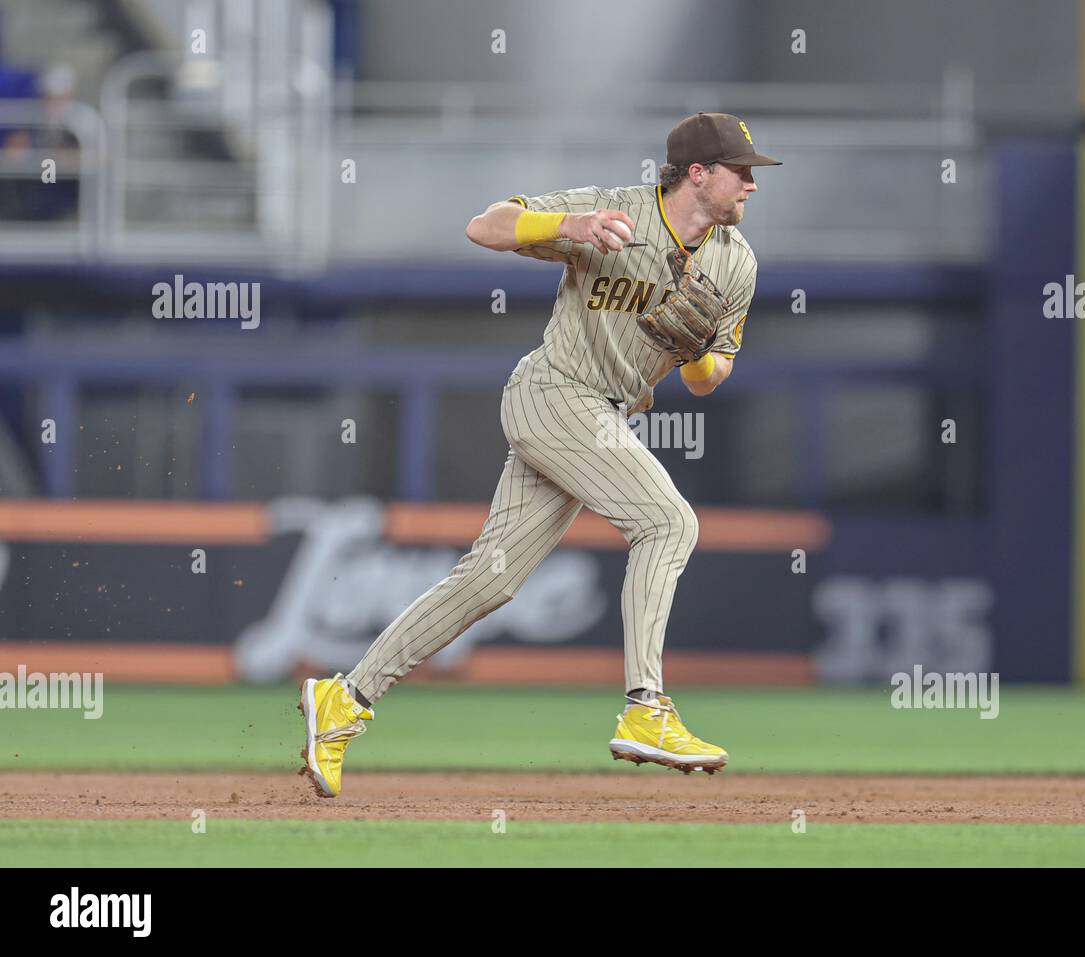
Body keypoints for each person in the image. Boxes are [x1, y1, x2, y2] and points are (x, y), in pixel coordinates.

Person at [298, 112, 781, 797]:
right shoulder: (616, 211)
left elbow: (709, 381)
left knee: (488, 581)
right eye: (742, 171)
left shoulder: (737, 262)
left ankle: (345, 698)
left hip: (603, 415)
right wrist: (571, 228)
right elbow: (485, 225)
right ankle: (647, 707)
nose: (752, 186)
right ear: (698, 173)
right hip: (553, 391)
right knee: (670, 523)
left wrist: (696, 348)